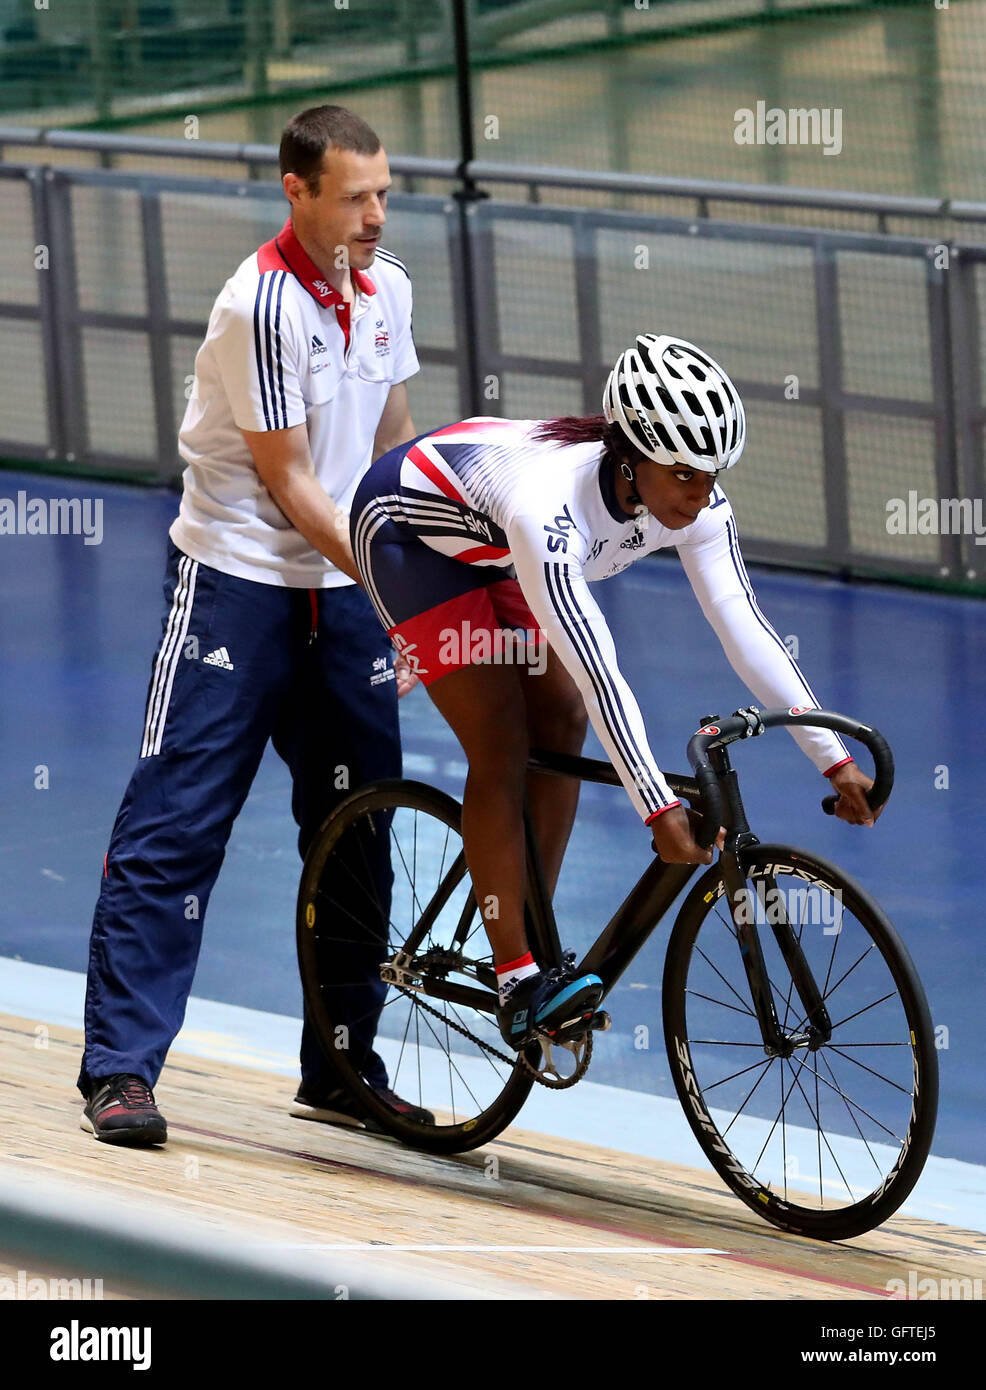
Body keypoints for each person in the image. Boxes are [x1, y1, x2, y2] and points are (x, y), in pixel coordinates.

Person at [350, 332, 881, 1047]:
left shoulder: (696, 504)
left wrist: (833, 755)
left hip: (491, 538)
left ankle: (542, 948)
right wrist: (654, 807)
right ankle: (516, 979)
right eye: (686, 474)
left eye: (715, 475)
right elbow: (602, 670)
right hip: (409, 537)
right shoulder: (552, 509)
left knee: (561, 717)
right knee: (502, 738)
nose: (702, 493)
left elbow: (743, 627)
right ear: (631, 458)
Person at [79, 104, 432, 1144]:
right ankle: (119, 1070)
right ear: (297, 190)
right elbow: (286, 484)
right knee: (178, 822)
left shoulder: (388, 291)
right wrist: (395, 598)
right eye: (356, 195)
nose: (376, 214)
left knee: (358, 830)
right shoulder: (260, 304)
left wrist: (418, 578)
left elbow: (391, 442)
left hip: (343, 594)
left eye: (383, 192)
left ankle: (339, 1068)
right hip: (238, 588)